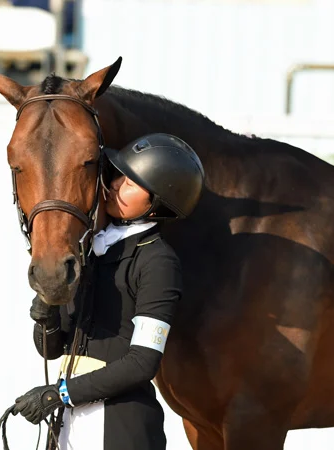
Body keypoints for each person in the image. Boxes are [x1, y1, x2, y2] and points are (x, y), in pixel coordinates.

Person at [11, 133, 205, 450]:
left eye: (131, 182)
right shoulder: (90, 253)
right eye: (119, 176)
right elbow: (51, 350)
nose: (115, 185)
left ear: (158, 202)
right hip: (69, 427)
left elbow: (143, 362)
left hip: (119, 428)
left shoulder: (157, 262)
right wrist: (46, 319)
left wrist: (59, 394)